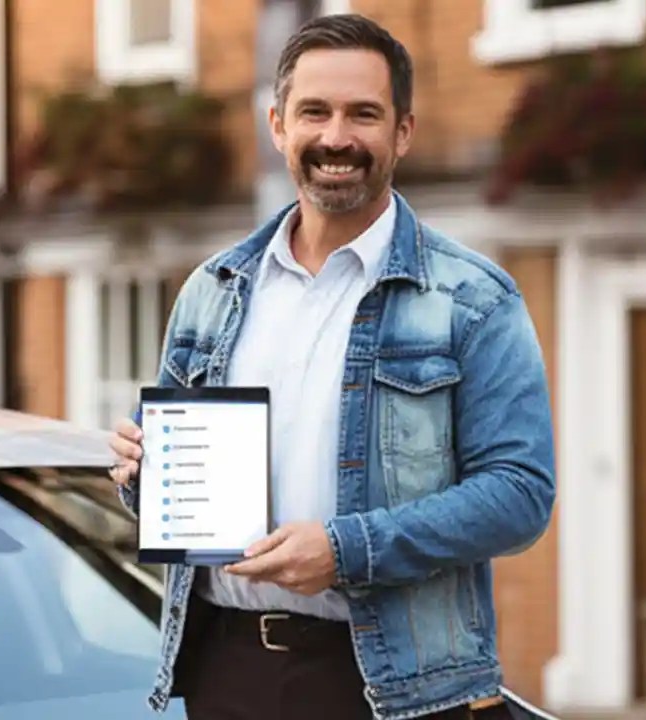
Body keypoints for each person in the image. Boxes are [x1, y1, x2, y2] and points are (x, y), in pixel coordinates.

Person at [107, 13, 557, 720]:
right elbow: (175, 502)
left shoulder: (472, 299)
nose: (337, 138)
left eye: (363, 114)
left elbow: (520, 493)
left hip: (397, 686)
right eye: (314, 112)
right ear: (278, 125)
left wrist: (346, 551)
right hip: (227, 671)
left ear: (402, 132)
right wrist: (144, 475)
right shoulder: (211, 290)